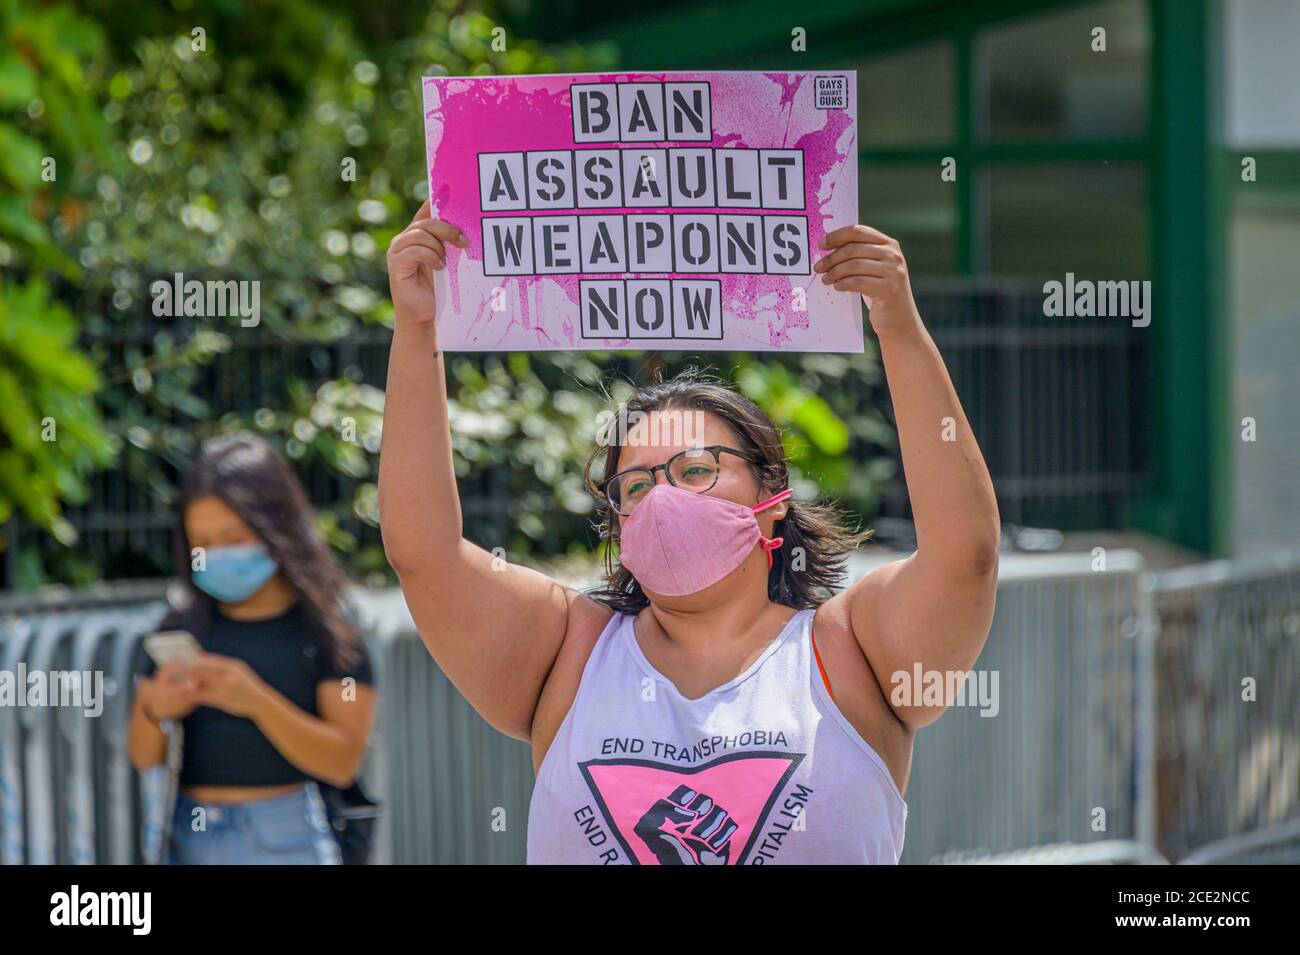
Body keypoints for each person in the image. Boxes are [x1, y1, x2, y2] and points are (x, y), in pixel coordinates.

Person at [379, 201, 999, 865]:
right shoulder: (568, 651)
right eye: (636, 486)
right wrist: (418, 328)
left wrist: (898, 327)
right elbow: (425, 554)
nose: (663, 498)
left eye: (695, 469)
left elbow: (964, 556)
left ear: (772, 498)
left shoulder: (852, 650)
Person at [128, 433, 377, 864]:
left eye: (233, 536)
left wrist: (255, 701)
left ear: (276, 527)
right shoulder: (182, 626)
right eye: (201, 542)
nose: (215, 553)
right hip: (191, 834)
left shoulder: (329, 635)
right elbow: (141, 753)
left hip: (289, 835)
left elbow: (342, 761)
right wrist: (158, 709)